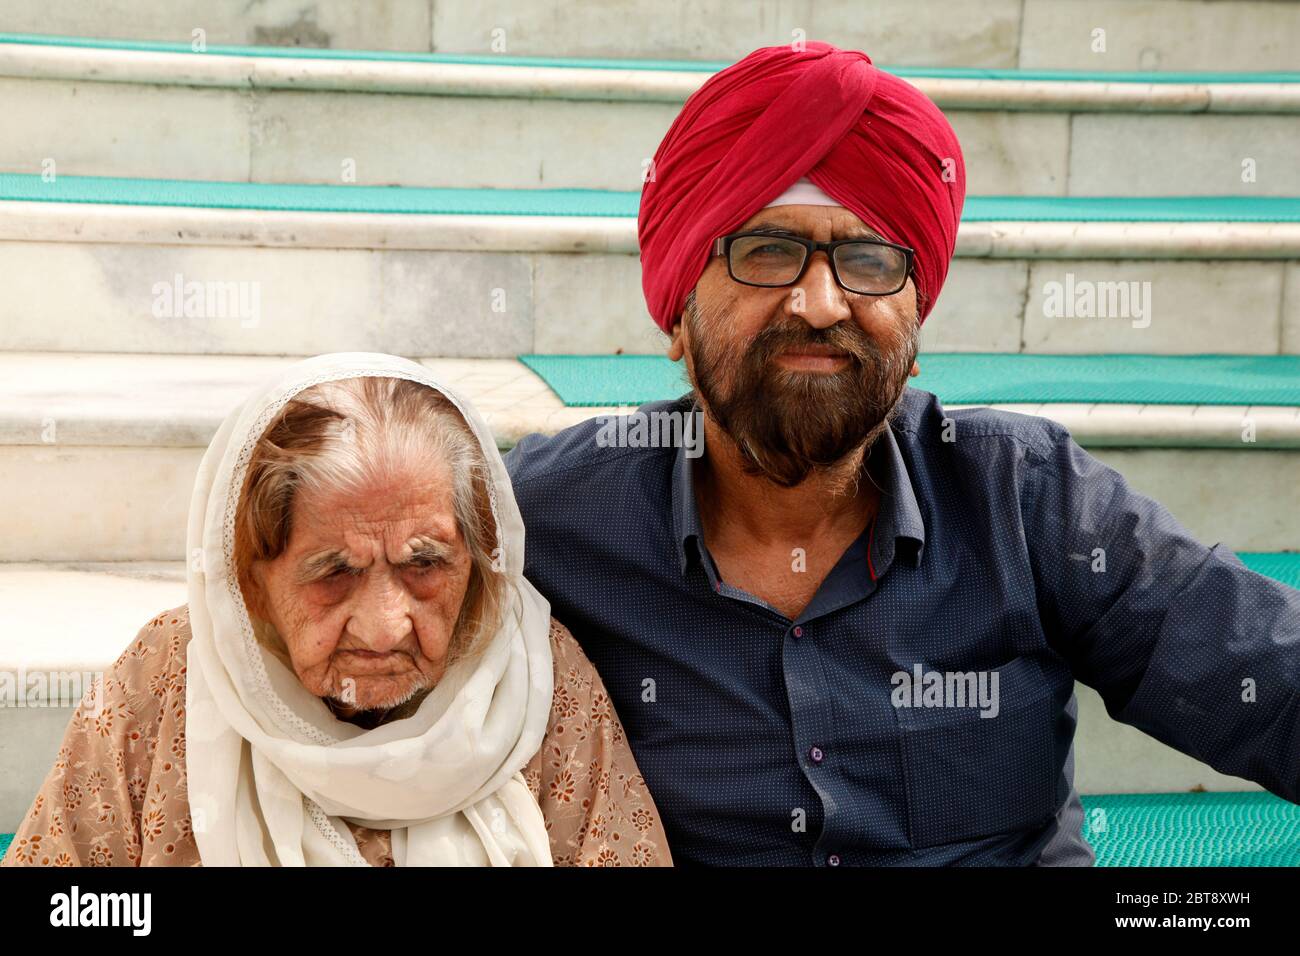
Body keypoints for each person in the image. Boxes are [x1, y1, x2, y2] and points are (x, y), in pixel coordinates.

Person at [503, 41, 1300, 865]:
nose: (819, 304)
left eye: (868, 261)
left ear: (916, 331)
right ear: (676, 317)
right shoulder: (550, 521)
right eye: (766, 251)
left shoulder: (1025, 499)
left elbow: (1264, 673)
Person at [3, 353, 671, 867]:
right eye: (333, 573)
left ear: (477, 562)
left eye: (426, 565)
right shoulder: (168, 676)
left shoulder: (535, 675)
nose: (384, 624)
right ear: (251, 579)